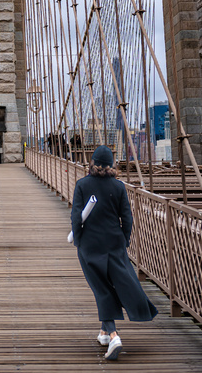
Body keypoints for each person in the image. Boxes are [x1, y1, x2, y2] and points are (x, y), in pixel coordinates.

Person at [71, 145, 157, 360]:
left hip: (91, 246)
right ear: (111, 165)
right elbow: (127, 219)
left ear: (92, 163)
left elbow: (75, 218)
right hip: (114, 244)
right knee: (113, 284)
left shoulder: (82, 184)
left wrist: (79, 242)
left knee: (101, 289)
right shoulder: (119, 187)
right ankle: (103, 333)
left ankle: (113, 335)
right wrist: (124, 241)